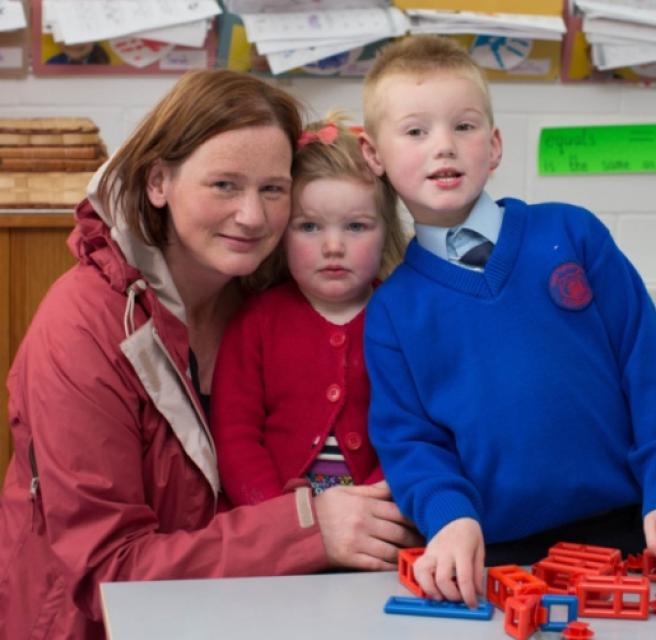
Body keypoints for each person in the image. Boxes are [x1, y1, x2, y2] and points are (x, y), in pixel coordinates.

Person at [0, 70, 417, 640]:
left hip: (242, 606)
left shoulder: (263, 294)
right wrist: (308, 528)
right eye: (224, 185)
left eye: (272, 189)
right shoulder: (81, 329)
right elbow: (107, 571)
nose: (252, 215)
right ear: (158, 183)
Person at [358, 35, 656, 608]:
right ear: (374, 156)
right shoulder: (391, 312)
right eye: (415, 131)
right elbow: (410, 440)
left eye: (465, 126)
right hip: (491, 551)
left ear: (495, 145)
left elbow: (646, 366)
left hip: (624, 528)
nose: (444, 147)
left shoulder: (573, 234)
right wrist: (450, 517)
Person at [211, 115, 407, 504]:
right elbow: (235, 436)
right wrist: (277, 519)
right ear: (281, 233)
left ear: (387, 232)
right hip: (276, 527)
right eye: (309, 227)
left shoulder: (405, 320)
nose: (333, 246)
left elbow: (417, 431)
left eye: (356, 227)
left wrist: (373, 506)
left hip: (380, 520)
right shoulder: (256, 322)